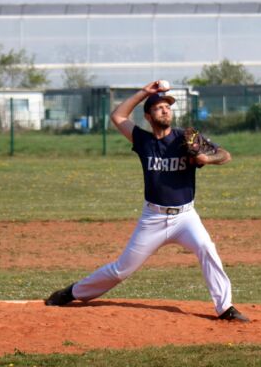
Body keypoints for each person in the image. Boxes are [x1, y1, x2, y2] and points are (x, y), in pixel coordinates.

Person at [44, 80, 249, 322]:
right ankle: (73, 292)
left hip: (185, 217)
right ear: (148, 116)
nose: (166, 110)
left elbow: (225, 155)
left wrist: (206, 157)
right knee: (121, 270)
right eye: (159, 107)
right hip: (153, 218)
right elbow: (118, 116)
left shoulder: (186, 137)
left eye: (168, 107)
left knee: (206, 248)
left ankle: (225, 307)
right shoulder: (143, 140)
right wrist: (144, 92)